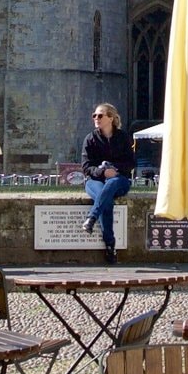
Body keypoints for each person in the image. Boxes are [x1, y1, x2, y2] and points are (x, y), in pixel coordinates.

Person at [81, 103, 136, 264]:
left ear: (110, 118)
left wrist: (114, 169)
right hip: (95, 181)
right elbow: (86, 167)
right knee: (106, 201)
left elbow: (131, 162)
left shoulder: (123, 137)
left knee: (111, 185)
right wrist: (102, 172)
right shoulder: (90, 139)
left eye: (100, 115)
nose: (96, 118)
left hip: (119, 180)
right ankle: (110, 246)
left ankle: (91, 217)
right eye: (94, 116)